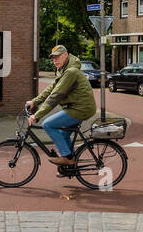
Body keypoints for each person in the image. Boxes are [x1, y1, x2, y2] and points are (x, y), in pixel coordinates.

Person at [30, 42, 99, 177]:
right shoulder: (62, 70)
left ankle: (67, 158)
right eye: (53, 57)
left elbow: (56, 96)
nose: (54, 60)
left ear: (66, 55)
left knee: (48, 124)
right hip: (75, 106)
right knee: (63, 134)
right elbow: (51, 89)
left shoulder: (71, 72)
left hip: (81, 108)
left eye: (57, 57)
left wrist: (37, 115)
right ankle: (70, 165)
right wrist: (34, 101)